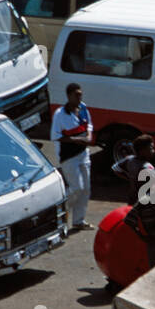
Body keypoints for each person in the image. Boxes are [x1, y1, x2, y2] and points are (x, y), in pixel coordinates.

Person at [50, 83, 93, 232]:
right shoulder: (60, 114)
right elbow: (55, 136)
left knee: (86, 189)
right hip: (69, 157)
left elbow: (89, 127)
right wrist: (77, 140)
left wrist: (87, 137)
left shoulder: (83, 108)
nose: (79, 97)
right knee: (76, 188)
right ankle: (58, 213)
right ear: (69, 96)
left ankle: (78, 221)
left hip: (83, 154)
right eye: (76, 95)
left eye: (80, 94)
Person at [112, 134, 155, 205]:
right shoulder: (148, 167)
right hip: (146, 201)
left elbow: (115, 169)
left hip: (132, 198)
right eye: (151, 148)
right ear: (142, 151)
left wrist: (128, 178)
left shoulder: (129, 159)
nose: (153, 151)